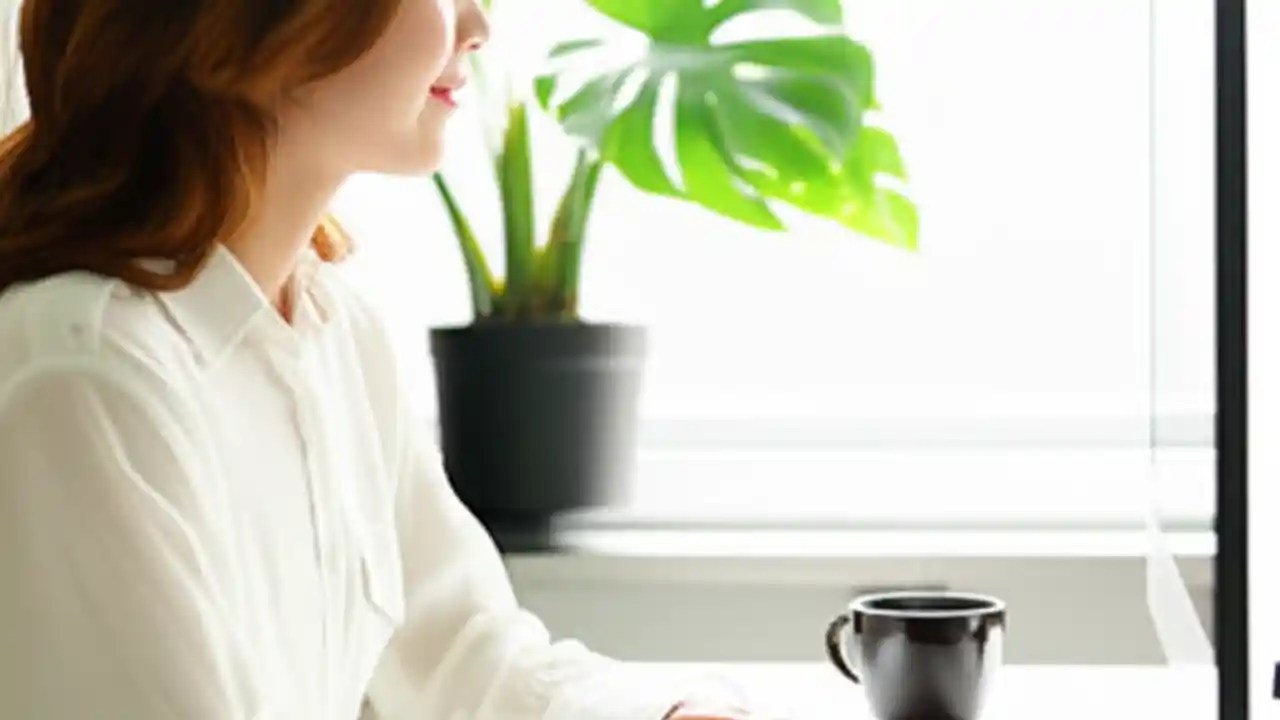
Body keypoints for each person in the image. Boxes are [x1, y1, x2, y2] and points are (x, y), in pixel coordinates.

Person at [0, 1, 754, 718]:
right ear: (251, 22)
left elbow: (461, 656)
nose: (477, 24)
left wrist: (670, 713)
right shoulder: (86, 380)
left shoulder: (331, 330)